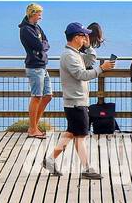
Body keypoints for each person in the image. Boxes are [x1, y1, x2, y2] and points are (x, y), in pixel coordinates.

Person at [43, 23, 115, 179]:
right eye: (83, 36)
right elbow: (82, 74)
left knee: (72, 133)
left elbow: (89, 61)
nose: (85, 38)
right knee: (81, 136)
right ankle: (87, 169)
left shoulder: (74, 54)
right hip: (75, 102)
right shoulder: (69, 56)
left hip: (76, 102)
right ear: (76, 37)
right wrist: (102, 68)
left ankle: (49, 160)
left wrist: (89, 47)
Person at [19, 3, 51, 139]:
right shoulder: (26, 29)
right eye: (39, 14)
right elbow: (39, 44)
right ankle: (32, 129)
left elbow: (46, 42)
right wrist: (42, 45)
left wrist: (42, 45)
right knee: (36, 96)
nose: (40, 17)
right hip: (34, 67)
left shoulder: (36, 27)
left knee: (48, 96)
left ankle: (34, 126)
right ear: (32, 13)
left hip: (42, 65)